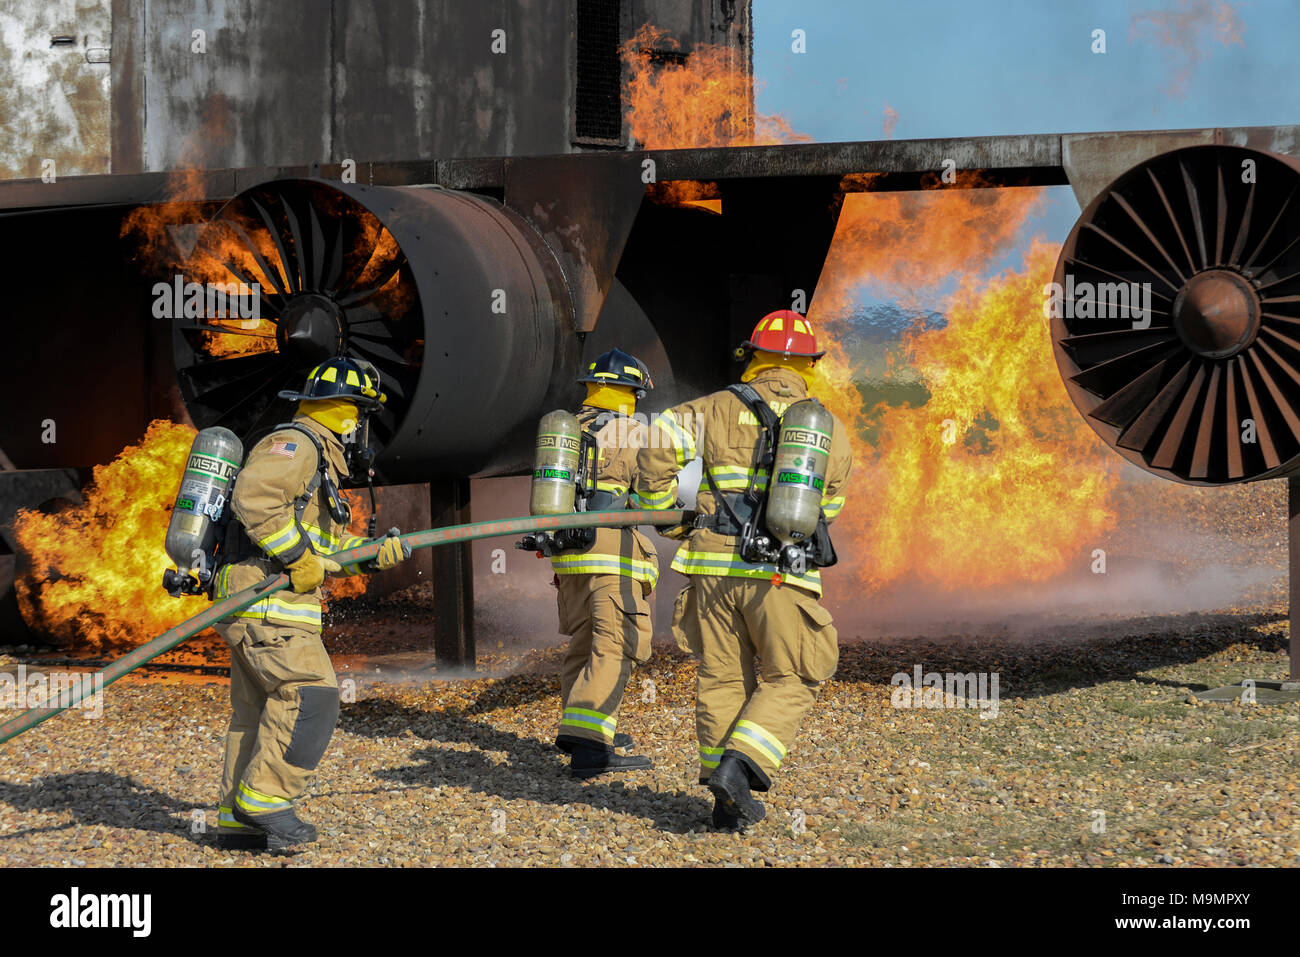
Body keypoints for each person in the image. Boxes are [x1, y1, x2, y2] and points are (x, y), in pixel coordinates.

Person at [634, 311, 852, 829]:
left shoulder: (708, 407)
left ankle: (722, 805)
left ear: (752, 356)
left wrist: (669, 517)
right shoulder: (825, 426)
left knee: (722, 680)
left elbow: (654, 454)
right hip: (782, 572)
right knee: (794, 675)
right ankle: (742, 767)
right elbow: (832, 503)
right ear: (807, 366)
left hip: (710, 566)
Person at [212, 356, 408, 850]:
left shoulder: (316, 460)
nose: (360, 428)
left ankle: (237, 818)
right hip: (266, 603)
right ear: (348, 412)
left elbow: (321, 550)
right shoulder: (298, 445)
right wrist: (298, 556)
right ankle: (266, 799)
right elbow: (254, 500)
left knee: (255, 714)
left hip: (258, 605)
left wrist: (370, 557)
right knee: (313, 696)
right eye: (361, 415)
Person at [549, 348, 660, 778]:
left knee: (583, 645)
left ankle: (578, 729)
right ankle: (591, 749)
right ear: (631, 392)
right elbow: (654, 496)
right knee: (617, 645)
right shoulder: (631, 433)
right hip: (611, 557)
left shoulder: (564, 429)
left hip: (568, 558)